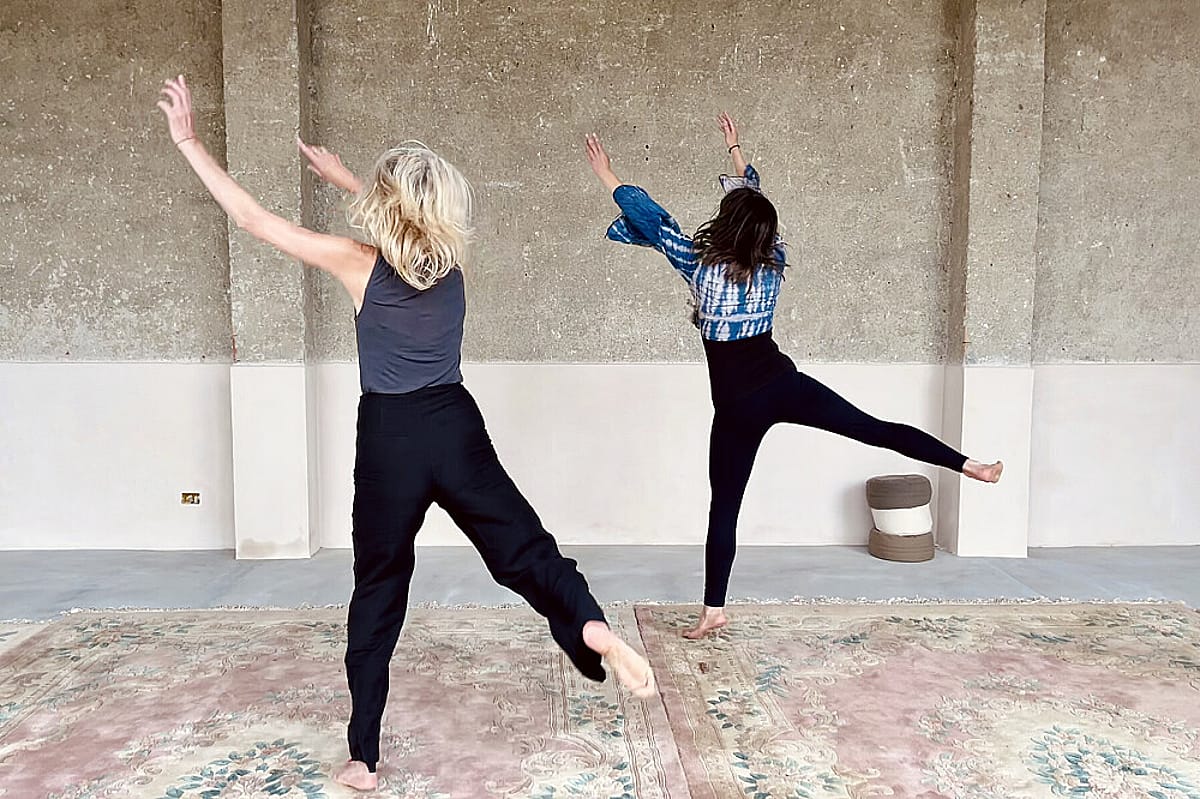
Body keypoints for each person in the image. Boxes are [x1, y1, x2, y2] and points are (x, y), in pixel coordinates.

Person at [157, 76, 654, 792]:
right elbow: (408, 224)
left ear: (384, 209)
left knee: (380, 585)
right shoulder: (451, 265)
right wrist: (348, 180)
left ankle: (362, 756)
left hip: (389, 439)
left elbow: (255, 220)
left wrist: (190, 141)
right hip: (454, 424)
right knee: (523, 547)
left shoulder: (358, 264)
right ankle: (589, 626)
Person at [583, 113, 1003, 640]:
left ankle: (714, 609)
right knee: (877, 429)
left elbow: (652, 219)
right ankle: (973, 467)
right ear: (763, 232)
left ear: (726, 224)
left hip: (736, 409)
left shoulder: (698, 263)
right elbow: (752, 205)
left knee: (725, 508)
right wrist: (736, 151)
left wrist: (608, 176)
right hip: (784, 385)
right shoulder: (774, 259)